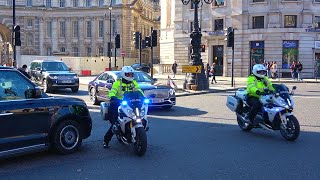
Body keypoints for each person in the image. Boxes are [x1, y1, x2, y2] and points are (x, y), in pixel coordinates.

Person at [103, 66, 144, 148]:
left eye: (131, 74)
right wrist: (113, 97)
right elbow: (112, 92)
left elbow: (139, 91)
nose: (130, 76)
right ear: (123, 74)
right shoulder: (118, 83)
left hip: (130, 103)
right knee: (116, 123)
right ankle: (106, 140)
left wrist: (143, 97)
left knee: (137, 116)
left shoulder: (133, 83)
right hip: (118, 103)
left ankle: (137, 131)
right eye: (128, 74)